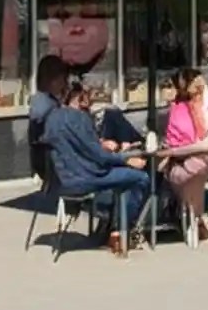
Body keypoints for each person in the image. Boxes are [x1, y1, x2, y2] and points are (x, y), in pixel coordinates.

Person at [34, 56, 149, 254]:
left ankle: (112, 225)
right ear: (78, 97)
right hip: (86, 178)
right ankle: (120, 230)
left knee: (123, 177)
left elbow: (81, 149)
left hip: (64, 180)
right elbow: (100, 158)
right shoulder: (78, 119)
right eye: (87, 98)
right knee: (140, 178)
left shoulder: (50, 118)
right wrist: (126, 158)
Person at [159, 68, 208, 240]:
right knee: (195, 170)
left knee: (197, 168)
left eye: (169, 87)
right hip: (180, 164)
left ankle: (189, 215)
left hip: (192, 160)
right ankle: (195, 218)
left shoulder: (204, 106)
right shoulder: (176, 110)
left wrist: (174, 150)